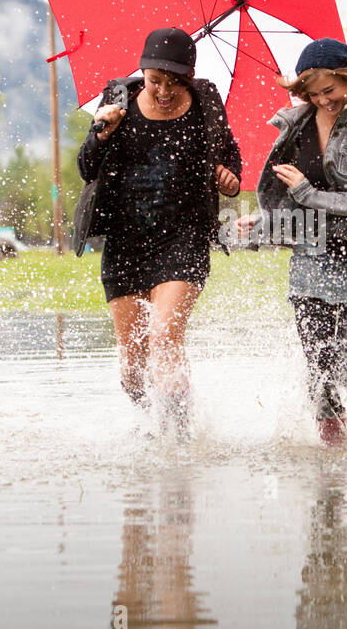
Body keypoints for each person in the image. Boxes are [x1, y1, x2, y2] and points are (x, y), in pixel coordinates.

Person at [75, 27, 241, 431]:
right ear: (143, 71)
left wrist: (230, 175)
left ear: (189, 76)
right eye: (155, 81)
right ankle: (156, 422)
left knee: (165, 336)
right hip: (125, 241)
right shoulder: (116, 102)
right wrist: (101, 134)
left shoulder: (205, 103)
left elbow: (231, 153)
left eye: (174, 82)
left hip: (183, 238)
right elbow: (85, 169)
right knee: (133, 366)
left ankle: (179, 437)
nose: (164, 90)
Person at [245, 38, 347, 444]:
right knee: (319, 364)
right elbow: (285, 196)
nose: (321, 100)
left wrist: (309, 194)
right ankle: (333, 451)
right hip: (310, 255)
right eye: (311, 94)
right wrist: (261, 225)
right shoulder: (294, 123)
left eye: (329, 90)